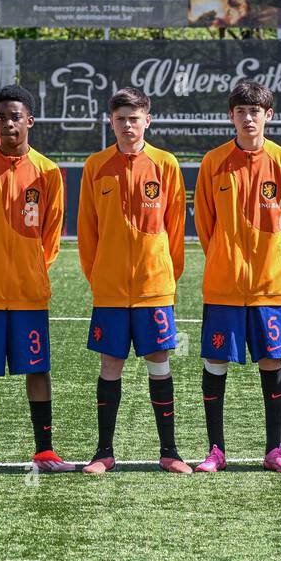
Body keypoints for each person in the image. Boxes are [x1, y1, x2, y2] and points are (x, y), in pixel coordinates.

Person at [0, 85, 73, 473]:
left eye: (16, 116)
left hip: (29, 295)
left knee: (37, 369)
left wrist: (30, 270)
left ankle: (45, 450)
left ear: (30, 121)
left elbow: (51, 238)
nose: (8, 123)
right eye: (2, 116)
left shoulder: (49, 173)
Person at [76, 87, 190, 475]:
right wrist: (99, 277)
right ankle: (103, 453)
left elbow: (176, 230)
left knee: (159, 363)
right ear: (111, 122)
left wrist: (166, 277)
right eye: (121, 118)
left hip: (154, 287)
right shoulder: (96, 166)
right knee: (111, 364)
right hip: (109, 289)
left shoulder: (166, 164)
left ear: (148, 120)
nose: (128, 125)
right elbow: (86, 231)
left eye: (134, 118)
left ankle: (170, 451)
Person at [193, 81, 281, 473]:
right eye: (241, 111)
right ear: (231, 117)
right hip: (223, 284)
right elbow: (205, 224)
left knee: (272, 363)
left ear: (268, 116)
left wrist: (272, 263)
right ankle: (215, 450)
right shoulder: (213, 161)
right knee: (215, 362)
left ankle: (274, 450)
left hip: (270, 286)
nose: (248, 117)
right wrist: (225, 258)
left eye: (255, 111)